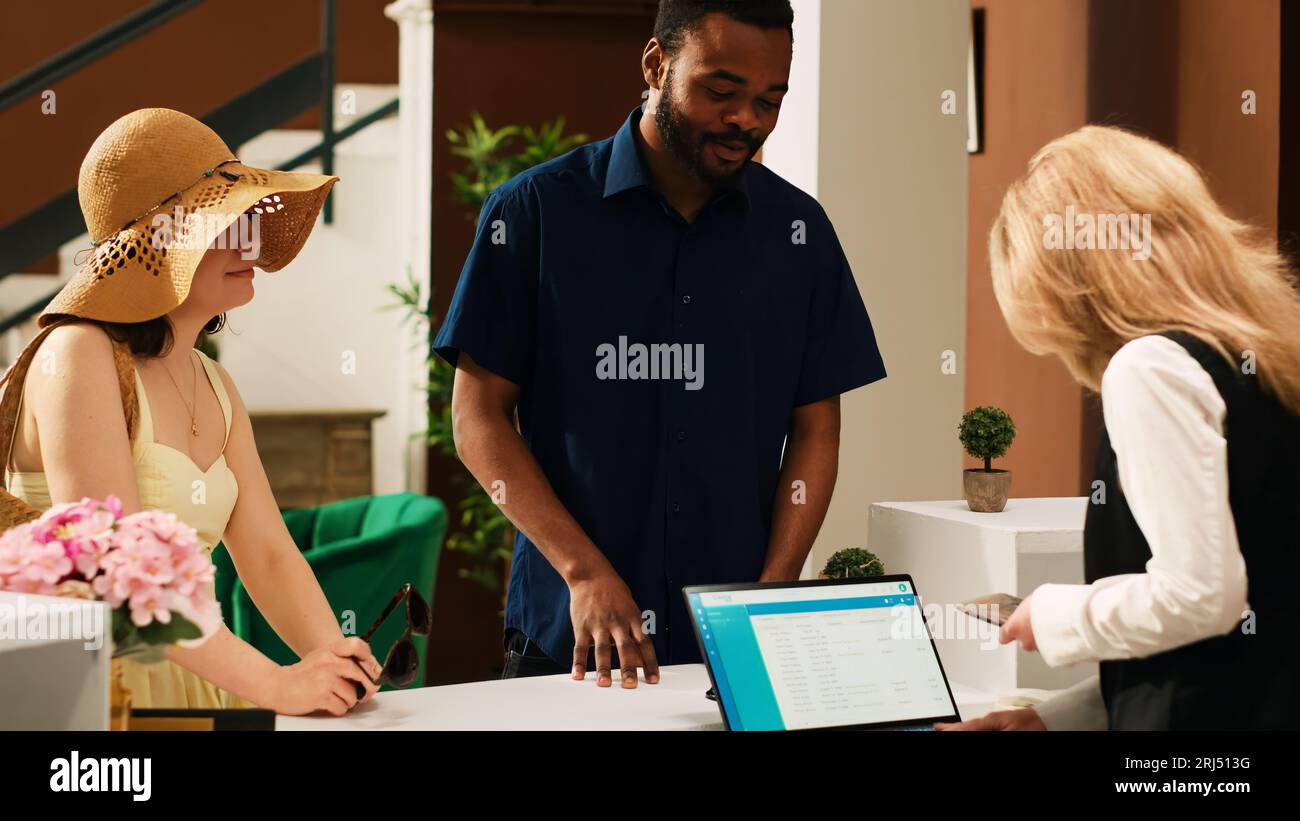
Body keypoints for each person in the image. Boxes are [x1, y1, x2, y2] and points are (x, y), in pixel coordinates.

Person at [435, 0, 886, 687]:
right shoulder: (532, 215)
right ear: (656, 64)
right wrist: (583, 571)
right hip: (571, 645)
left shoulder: (801, 234)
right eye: (721, 91)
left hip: (731, 652)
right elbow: (477, 418)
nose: (747, 120)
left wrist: (773, 586)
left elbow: (817, 429)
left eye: (770, 100)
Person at [0, 108, 384, 715]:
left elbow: (266, 552)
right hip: (94, 692)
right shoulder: (80, 354)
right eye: (223, 222)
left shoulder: (215, 380)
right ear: (157, 247)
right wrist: (279, 684)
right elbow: (115, 570)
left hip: (203, 684)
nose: (249, 240)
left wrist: (333, 662)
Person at [937, 125, 1300, 730]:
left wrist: (1053, 613)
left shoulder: (1150, 366)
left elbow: (1203, 597)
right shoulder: (1269, 363)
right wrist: (1053, 719)